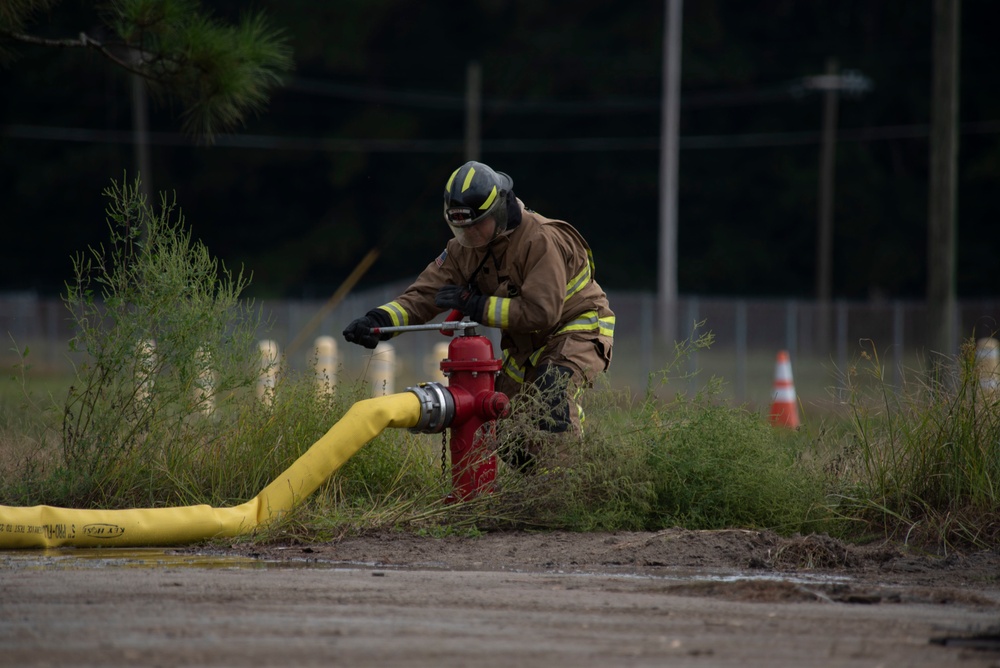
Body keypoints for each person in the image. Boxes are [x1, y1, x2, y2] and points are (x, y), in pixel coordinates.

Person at [343, 161, 615, 469]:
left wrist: (475, 304)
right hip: (526, 346)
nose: (468, 234)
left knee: (553, 395)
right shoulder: (463, 249)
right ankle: (543, 492)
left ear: (498, 212)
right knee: (499, 425)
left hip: (576, 328)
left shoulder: (539, 239)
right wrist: (379, 321)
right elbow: (423, 295)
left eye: (475, 225)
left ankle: (571, 493)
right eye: (460, 227)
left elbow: (542, 312)